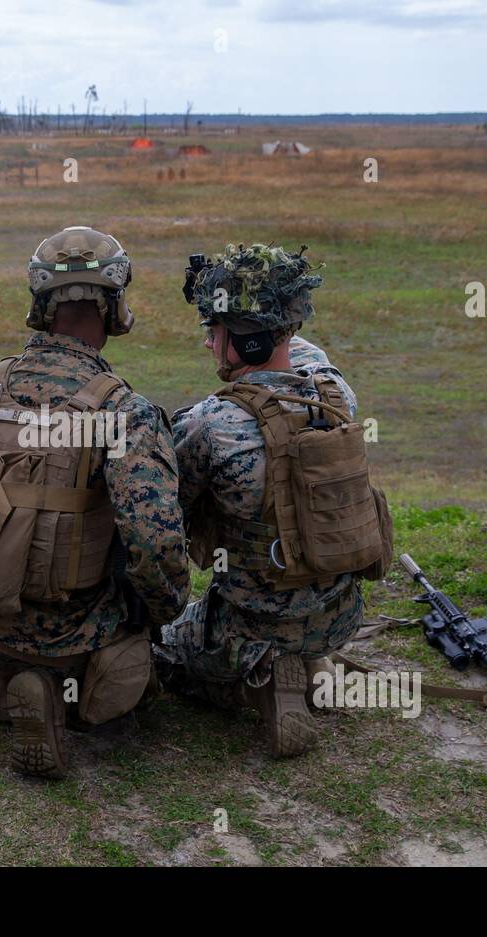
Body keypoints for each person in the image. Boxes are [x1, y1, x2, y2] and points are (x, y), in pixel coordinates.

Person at [0, 226, 189, 778]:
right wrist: (162, 612)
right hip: (77, 632)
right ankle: (66, 689)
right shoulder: (124, 412)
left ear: (40, 304)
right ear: (114, 306)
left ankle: (10, 676)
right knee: (131, 677)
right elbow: (155, 542)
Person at [155, 243, 385, 758]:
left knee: (162, 648)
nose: (209, 343)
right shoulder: (334, 393)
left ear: (241, 343)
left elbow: (169, 508)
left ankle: (258, 682)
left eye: (214, 333)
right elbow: (299, 352)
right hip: (341, 617)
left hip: (249, 623)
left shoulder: (208, 424)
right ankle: (310, 660)